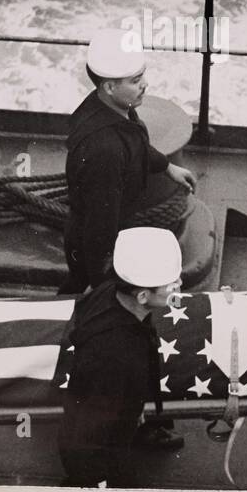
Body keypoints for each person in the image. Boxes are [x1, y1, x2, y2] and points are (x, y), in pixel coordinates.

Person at [60, 29, 196, 295]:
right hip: (93, 245)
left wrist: (167, 167)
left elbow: (137, 146)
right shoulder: (105, 150)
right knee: (82, 293)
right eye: (135, 80)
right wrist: (102, 282)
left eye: (142, 75)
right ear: (110, 87)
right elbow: (100, 227)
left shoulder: (111, 109)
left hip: (102, 227)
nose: (145, 84)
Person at [58, 227, 184, 488]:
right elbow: (85, 430)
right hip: (99, 456)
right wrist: (96, 480)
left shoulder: (109, 292)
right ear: (142, 296)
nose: (179, 285)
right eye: (172, 283)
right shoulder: (114, 356)